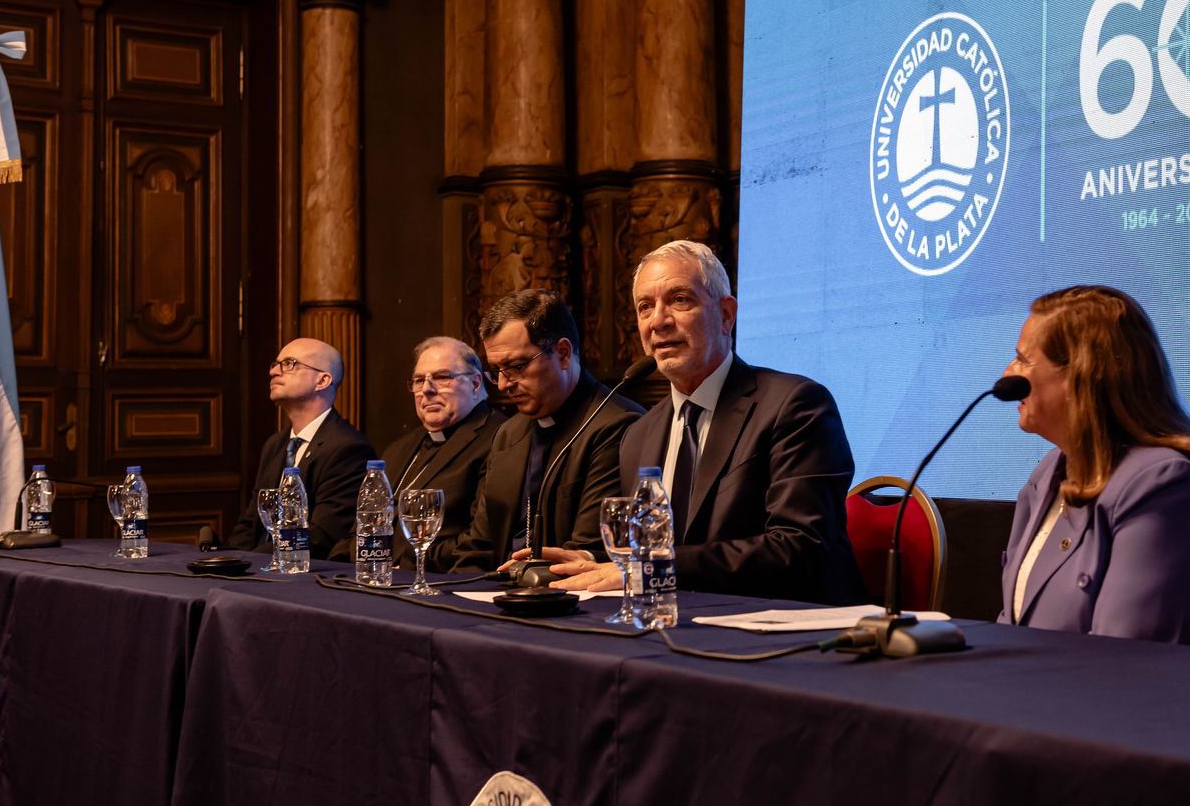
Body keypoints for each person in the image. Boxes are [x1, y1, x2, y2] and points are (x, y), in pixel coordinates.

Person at [521, 240, 866, 605]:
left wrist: (648, 569)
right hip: (676, 626)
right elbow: (655, 551)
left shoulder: (795, 405)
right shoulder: (639, 433)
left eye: (680, 299)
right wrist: (598, 562)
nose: (658, 321)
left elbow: (799, 548)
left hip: (790, 632)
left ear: (726, 315)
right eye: (645, 307)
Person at [997, 285, 1190, 648]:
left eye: (1023, 360)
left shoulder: (1165, 486)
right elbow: (1010, 625)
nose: (1006, 373)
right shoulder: (1048, 474)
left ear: (1080, 374)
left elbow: (1127, 660)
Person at [449, 289, 643, 572]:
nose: (503, 385)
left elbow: (587, 552)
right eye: (497, 370)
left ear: (563, 353)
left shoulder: (617, 424)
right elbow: (478, 546)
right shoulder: (508, 434)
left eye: (516, 366)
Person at [327, 336, 505, 570]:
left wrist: (407, 561)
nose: (426, 390)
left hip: (442, 583)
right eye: (419, 380)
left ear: (475, 384)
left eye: (442, 377)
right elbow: (360, 529)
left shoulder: (499, 438)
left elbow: (480, 543)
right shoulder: (400, 447)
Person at [227, 337, 376, 559]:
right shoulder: (275, 444)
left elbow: (321, 536)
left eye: (289, 363)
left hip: (304, 576)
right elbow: (251, 524)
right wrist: (229, 560)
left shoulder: (348, 449)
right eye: (275, 364)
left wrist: (252, 561)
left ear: (323, 380)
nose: (274, 372)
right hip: (259, 569)